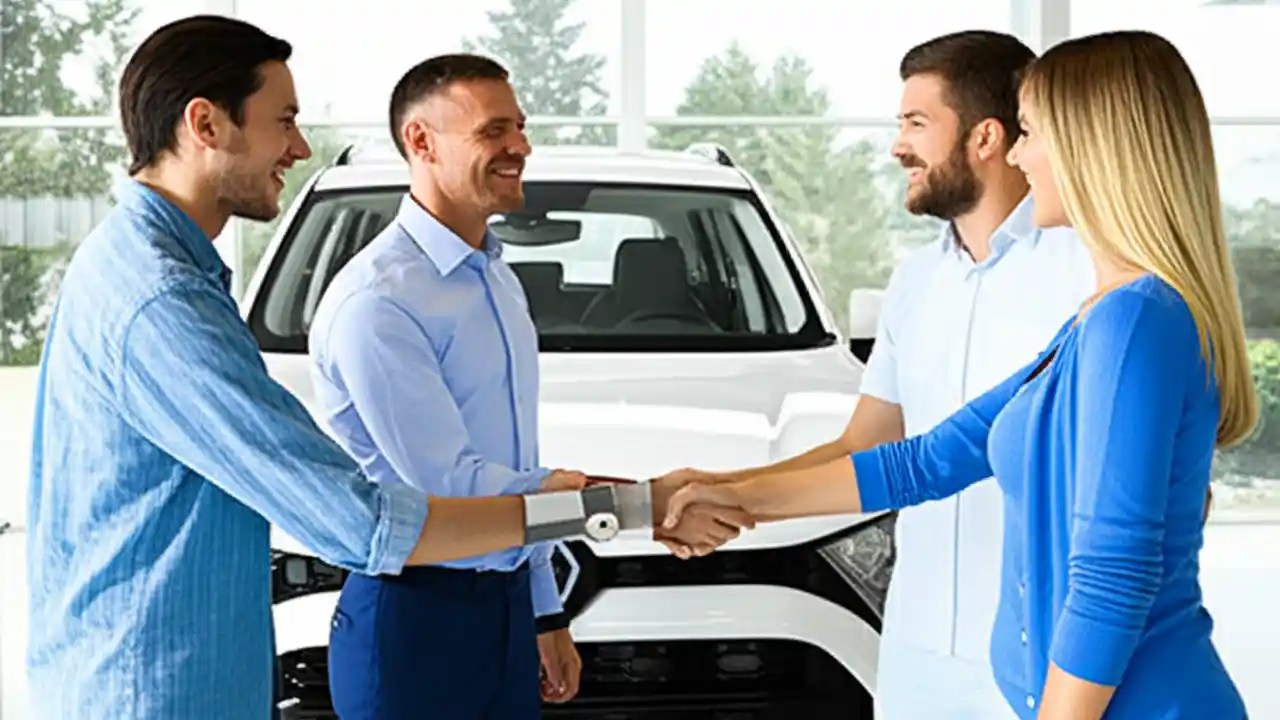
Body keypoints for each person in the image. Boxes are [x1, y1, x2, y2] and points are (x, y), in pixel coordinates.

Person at [24, 16, 744, 720]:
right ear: (206, 125)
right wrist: (627, 506)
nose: (300, 146)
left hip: (186, 671)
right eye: (284, 120)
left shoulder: (156, 272)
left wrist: (544, 602)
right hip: (156, 687)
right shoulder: (166, 304)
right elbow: (364, 520)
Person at [662, 29, 1255, 720]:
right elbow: (924, 462)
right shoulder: (1095, 324)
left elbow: (1113, 573)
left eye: (1032, 133)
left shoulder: (1133, 321)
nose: (1022, 155)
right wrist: (728, 496)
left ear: (1094, 149)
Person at [306, 54, 731, 719]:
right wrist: (638, 505)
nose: (520, 147)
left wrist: (542, 610)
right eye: (494, 130)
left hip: (503, 607)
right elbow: (452, 486)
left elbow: (517, 469)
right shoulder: (379, 302)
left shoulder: (495, 279)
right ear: (422, 142)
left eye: (521, 128)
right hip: (415, 617)